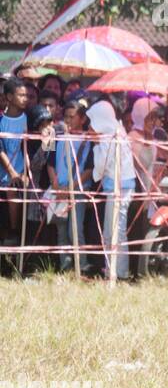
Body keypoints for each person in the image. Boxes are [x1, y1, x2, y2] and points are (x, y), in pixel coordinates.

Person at [86, 98, 137, 281]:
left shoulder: (109, 137)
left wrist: (95, 145)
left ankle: (119, 272)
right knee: (110, 231)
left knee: (116, 231)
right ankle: (111, 269)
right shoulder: (115, 131)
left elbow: (100, 166)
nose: (90, 126)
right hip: (116, 188)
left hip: (120, 190)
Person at [50, 97, 92, 274]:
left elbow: (89, 169)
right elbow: (50, 163)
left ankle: (81, 265)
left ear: (82, 119)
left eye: (72, 116)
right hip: (59, 188)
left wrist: (72, 187)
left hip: (78, 190)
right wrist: (55, 184)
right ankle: (65, 266)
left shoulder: (88, 139)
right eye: (66, 116)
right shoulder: (58, 137)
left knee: (75, 228)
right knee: (61, 228)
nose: (68, 120)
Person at [0, 78, 30, 254]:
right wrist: (11, 172)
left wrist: (23, 173)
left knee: (16, 211)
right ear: (9, 97)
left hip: (21, 176)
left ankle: (14, 233)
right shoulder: (1, 121)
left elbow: (32, 149)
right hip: (6, 174)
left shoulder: (29, 119)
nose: (25, 98)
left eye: (26, 95)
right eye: (21, 95)